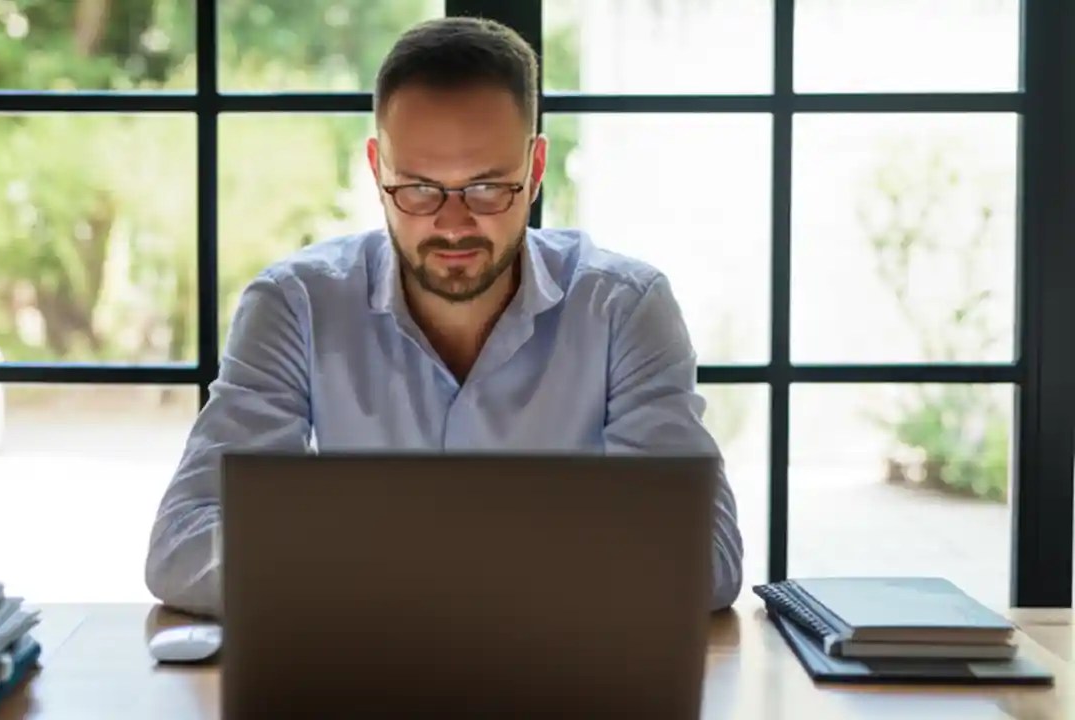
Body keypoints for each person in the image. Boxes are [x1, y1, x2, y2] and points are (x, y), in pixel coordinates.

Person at [144, 16, 743, 617]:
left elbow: (707, 559)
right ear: (378, 168)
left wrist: (368, 567)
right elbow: (181, 547)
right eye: (419, 190)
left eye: (487, 189)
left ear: (535, 170)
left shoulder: (624, 307)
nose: (453, 224)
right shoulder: (295, 305)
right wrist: (514, 567)